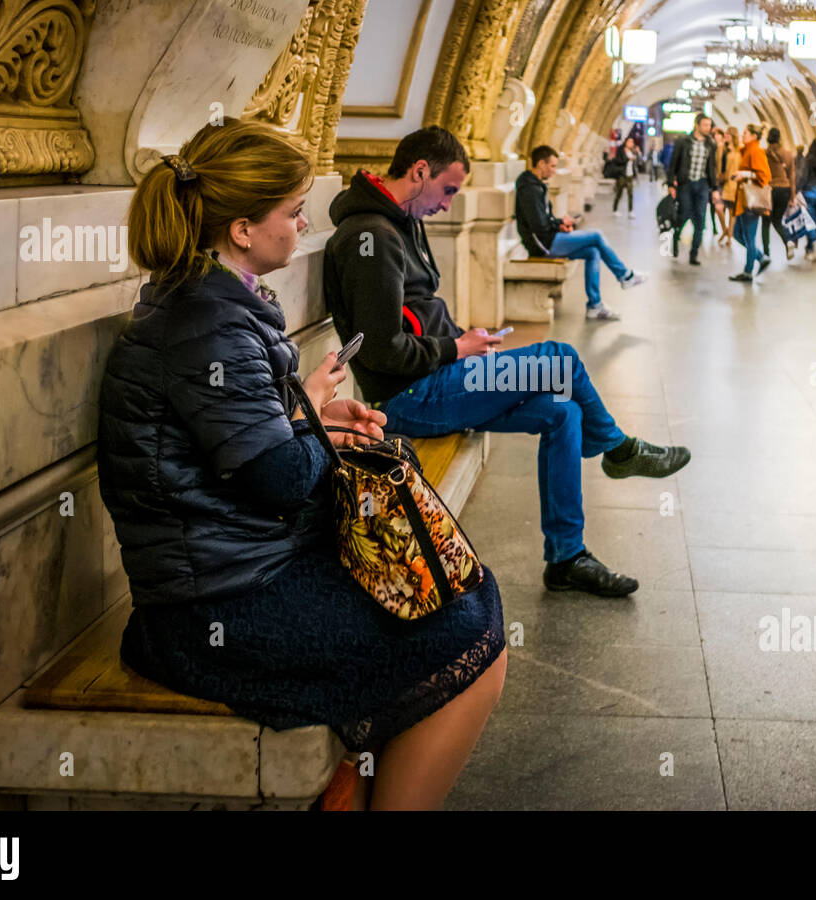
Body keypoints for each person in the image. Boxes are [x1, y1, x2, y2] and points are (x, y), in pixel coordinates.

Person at [94, 118, 505, 812]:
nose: (304, 223)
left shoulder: (210, 302)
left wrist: (313, 417)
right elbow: (279, 477)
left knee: (459, 594)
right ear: (244, 229)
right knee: (465, 629)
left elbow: (244, 444)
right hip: (213, 608)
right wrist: (322, 438)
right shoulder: (210, 321)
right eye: (293, 211)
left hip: (240, 565)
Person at [323, 125, 693, 597]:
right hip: (409, 397)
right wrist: (457, 349)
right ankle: (618, 450)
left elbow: (418, 313)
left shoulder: (398, 222)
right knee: (559, 357)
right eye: (448, 190)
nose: (448, 204)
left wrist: (463, 338)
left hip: (439, 376)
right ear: (419, 172)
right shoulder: (369, 238)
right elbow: (381, 350)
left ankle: (566, 557)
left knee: (564, 413)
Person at [516, 144, 646, 321]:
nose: (554, 171)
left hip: (549, 238)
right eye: (552, 166)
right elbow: (539, 226)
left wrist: (561, 223)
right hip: (544, 245)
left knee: (593, 252)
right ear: (541, 164)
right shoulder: (530, 189)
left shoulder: (537, 185)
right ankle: (625, 276)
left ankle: (595, 305)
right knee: (597, 235)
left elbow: (544, 219)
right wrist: (559, 223)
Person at [667, 114, 722, 265]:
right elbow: (673, 163)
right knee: (683, 215)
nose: (708, 128)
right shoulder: (683, 141)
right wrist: (670, 184)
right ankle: (675, 241)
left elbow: (712, 167)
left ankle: (694, 254)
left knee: (700, 219)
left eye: (709, 125)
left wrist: (715, 188)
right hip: (686, 184)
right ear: (696, 125)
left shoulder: (710, 144)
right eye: (705, 125)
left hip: (702, 185)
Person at [728, 124, 772, 282]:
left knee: (749, 237)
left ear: (754, 135)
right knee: (738, 233)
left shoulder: (756, 151)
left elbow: (764, 175)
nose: (743, 136)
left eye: (745, 133)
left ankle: (748, 271)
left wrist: (744, 174)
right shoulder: (746, 150)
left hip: (751, 201)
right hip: (743, 200)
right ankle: (760, 258)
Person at [763, 128, 796, 260]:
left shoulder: (765, 154)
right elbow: (792, 176)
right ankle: (788, 241)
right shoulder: (787, 154)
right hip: (784, 189)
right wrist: (792, 196)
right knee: (777, 220)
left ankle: (766, 254)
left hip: (769, 189)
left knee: (766, 222)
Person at [610, 135, 644, 218]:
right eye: (629, 141)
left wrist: (638, 152)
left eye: (632, 142)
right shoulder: (621, 150)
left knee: (630, 193)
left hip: (630, 175)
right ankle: (615, 209)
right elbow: (618, 161)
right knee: (619, 193)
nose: (631, 143)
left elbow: (640, 161)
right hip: (622, 175)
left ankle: (630, 211)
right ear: (625, 142)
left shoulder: (633, 151)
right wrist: (628, 159)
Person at [716, 126, 740, 246]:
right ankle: (725, 230)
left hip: (731, 183)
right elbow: (717, 162)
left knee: (731, 212)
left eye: (728, 134)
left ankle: (729, 235)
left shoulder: (737, 151)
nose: (726, 136)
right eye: (725, 134)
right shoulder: (722, 148)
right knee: (718, 208)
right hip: (720, 181)